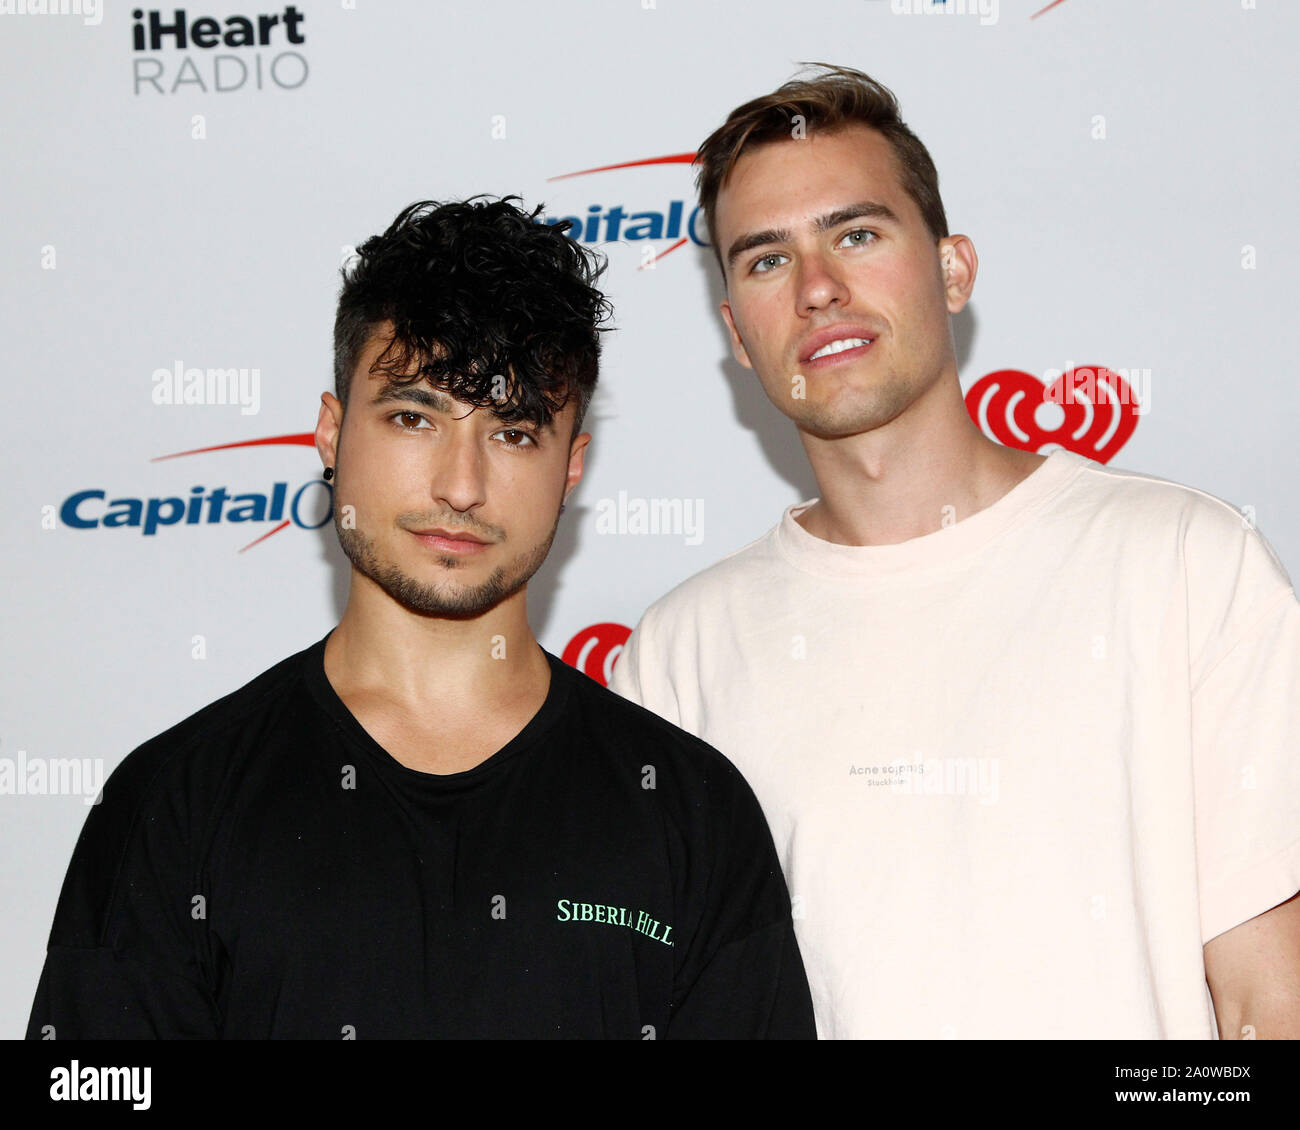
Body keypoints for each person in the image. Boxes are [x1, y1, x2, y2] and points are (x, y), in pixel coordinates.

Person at [608, 65, 1300, 1039]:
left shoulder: (1186, 564)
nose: (817, 289)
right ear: (735, 332)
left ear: (954, 269)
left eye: (856, 233)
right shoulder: (678, 658)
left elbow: (1267, 1001)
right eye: (766, 260)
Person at [26, 196, 815, 1040]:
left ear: (573, 466)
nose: (461, 485)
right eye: (414, 417)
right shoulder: (175, 804)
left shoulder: (690, 812)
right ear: (331, 435)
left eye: (513, 432)